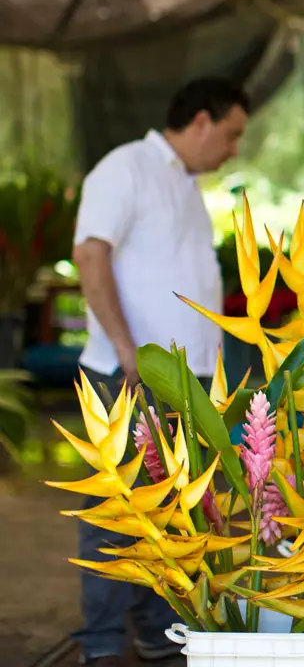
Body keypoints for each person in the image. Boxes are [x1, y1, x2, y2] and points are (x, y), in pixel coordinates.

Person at [72, 77, 248, 665]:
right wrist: (126, 349)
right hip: (128, 375)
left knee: (177, 508)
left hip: (186, 379)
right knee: (117, 512)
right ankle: (99, 644)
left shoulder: (186, 183)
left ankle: (155, 630)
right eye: (231, 133)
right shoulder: (126, 168)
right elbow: (89, 254)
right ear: (200, 121)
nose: (234, 148)